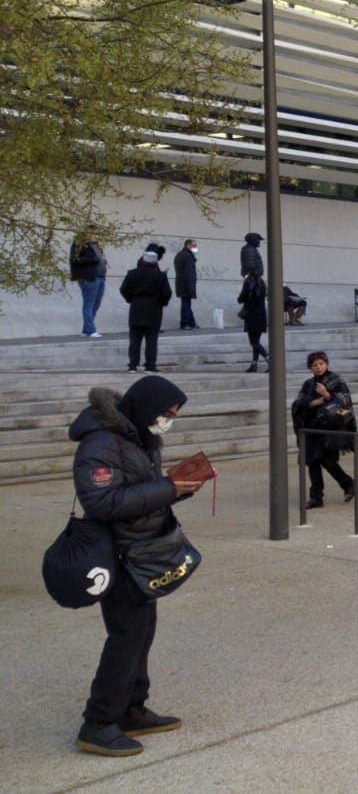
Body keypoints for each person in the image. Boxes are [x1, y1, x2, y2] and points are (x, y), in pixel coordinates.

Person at [70, 375, 203, 757]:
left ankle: (131, 707)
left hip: (144, 552)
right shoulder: (99, 443)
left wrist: (179, 487)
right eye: (165, 413)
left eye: (173, 415)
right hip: (118, 554)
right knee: (125, 638)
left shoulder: (139, 438)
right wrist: (167, 488)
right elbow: (103, 502)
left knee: (142, 633)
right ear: (145, 408)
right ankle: (97, 723)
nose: (167, 421)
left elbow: (142, 495)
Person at [292, 351, 356, 508]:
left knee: (328, 461)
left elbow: (345, 401)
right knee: (312, 462)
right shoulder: (308, 384)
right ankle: (316, 497)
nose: (318, 368)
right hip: (311, 429)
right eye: (314, 365)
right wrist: (314, 402)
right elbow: (298, 403)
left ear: (326, 364)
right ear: (310, 368)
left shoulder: (336, 380)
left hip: (331, 428)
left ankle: (348, 483)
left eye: (321, 364)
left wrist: (327, 395)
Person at [120, 245, 171, 374]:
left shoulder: (132, 273)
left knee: (135, 339)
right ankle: (150, 365)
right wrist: (161, 303)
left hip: (136, 308)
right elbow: (167, 293)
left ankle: (133, 365)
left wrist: (131, 299)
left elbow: (123, 290)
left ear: (143, 259)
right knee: (151, 340)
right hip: (154, 309)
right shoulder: (160, 275)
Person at [71, 231, 109, 337]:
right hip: (89, 278)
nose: (93, 235)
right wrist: (93, 259)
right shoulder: (79, 245)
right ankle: (91, 330)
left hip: (100, 277)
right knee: (89, 304)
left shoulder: (95, 245)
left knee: (96, 304)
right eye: (91, 233)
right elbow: (75, 260)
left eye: (95, 233)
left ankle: (86, 329)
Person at [238, 269, 269, 372]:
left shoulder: (248, 282)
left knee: (254, 342)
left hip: (252, 315)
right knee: (256, 341)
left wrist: (241, 298)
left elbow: (242, 297)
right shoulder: (262, 283)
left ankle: (270, 361)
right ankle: (254, 364)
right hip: (261, 315)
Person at [173, 240, 198, 330]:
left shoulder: (181, 255)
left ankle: (191, 322)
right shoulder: (187, 256)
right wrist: (191, 287)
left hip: (182, 283)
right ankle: (186, 323)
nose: (195, 247)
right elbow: (189, 273)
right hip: (186, 284)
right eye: (194, 245)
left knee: (186, 304)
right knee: (186, 304)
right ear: (188, 245)